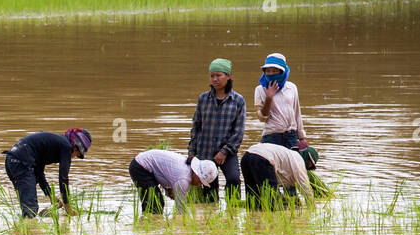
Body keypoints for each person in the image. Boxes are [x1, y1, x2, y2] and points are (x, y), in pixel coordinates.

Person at [187, 58, 246, 202]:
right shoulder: (203, 99)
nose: (215, 79)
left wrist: (224, 151)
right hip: (205, 151)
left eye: (218, 75)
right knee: (209, 189)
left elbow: (238, 131)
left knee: (233, 180)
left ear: (228, 76)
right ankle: (210, 217)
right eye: (212, 76)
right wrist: (191, 152)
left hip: (227, 152)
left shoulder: (238, 100)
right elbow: (196, 127)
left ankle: (233, 212)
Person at [3, 129, 91, 218]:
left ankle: (25, 228)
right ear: (76, 147)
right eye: (77, 154)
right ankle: (29, 228)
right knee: (30, 210)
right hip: (21, 163)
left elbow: (39, 172)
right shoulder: (66, 146)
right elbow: (63, 178)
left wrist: (51, 196)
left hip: (11, 161)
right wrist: (67, 207)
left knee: (28, 207)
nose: (74, 157)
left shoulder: (52, 143)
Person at [128, 150, 218, 215]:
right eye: (201, 182)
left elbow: (166, 173)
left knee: (155, 203)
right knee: (154, 204)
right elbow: (180, 210)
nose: (199, 185)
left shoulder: (186, 168)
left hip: (144, 163)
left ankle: (149, 222)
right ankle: (148, 227)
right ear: (197, 174)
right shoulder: (184, 179)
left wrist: (169, 189)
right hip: (140, 167)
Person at [240, 143, 319, 209]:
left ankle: (253, 220)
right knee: (273, 204)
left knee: (253, 200)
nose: (309, 168)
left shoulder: (289, 154)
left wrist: (285, 198)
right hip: (263, 159)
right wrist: (312, 208)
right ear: (308, 158)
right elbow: (306, 188)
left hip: (246, 156)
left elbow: (272, 181)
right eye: (310, 165)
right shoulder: (299, 161)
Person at [254, 53, 306, 150]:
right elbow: (262, 118)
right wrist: (269, 98)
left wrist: (301, 137)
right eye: (268, 71)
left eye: (274, 71)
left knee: (292, 164)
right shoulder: (260, 89)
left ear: (282, 71)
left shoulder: (291, 87)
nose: (271, 74)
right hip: (271, 136)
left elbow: (297, 113)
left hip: (291, 136)